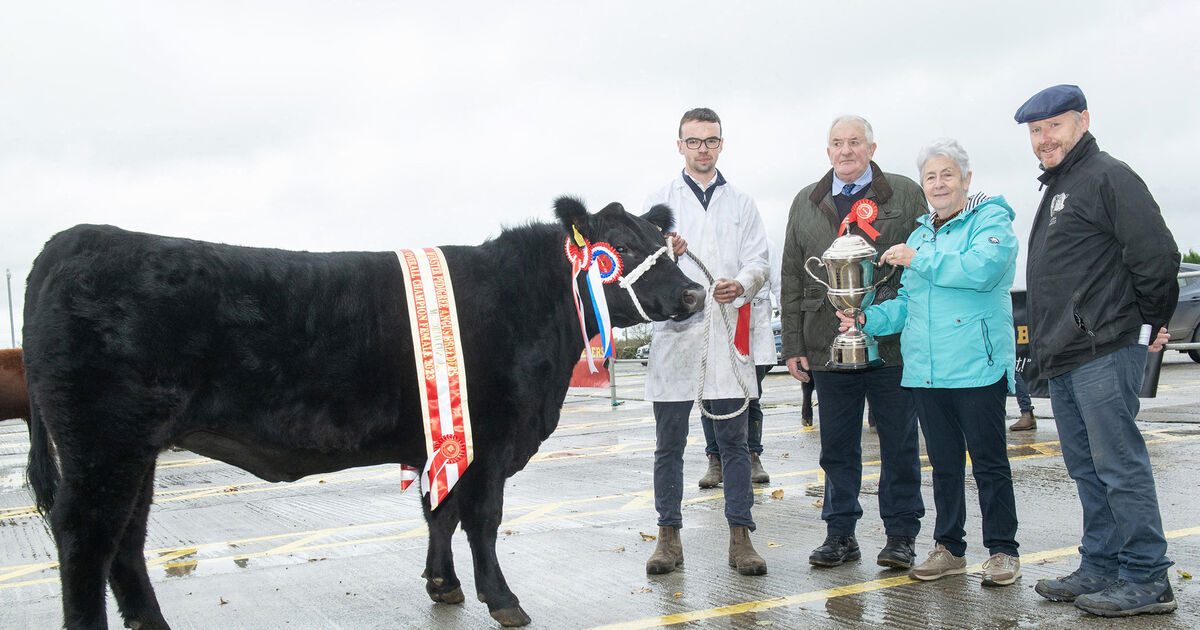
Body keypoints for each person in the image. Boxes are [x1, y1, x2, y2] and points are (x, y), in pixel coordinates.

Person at [1015, 85, 1180, 617]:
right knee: (1087, 468)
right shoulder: (1062, 184)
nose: (1044, 139)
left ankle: (1147, 577)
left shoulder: (1108, 175)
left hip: (1102, 349)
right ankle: (1102, 564)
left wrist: (1152, 319)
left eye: (1054, 126)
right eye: (1036, 131)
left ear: (1083, 121)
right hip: (1065, 356)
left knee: (1119, 466)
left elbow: (1156, 252)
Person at [840, 138, 1022, 586]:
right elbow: (907, 303)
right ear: (923, 185)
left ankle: (1002, 551)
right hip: (926, 370)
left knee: (989, 463)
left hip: (976, 366)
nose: (938, 184)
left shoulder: (991, 221)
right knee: (942, 465)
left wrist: (918, 257)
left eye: (947, 175)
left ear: (966, 179)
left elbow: (980, 270)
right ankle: (949, 547)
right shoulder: (922, 232)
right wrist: (866, 316)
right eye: (930, 177)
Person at [780, 114, 926, 570]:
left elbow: (923, 261)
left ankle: (901, 535)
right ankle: (840, 534)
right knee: (836, 448)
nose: (846, 151)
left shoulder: (904, 192)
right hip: (827, 343)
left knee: (899, 445)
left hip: (891, 344)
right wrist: (794, 344)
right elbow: (790, 273)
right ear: (828, 152)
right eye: (838, 143)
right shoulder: (806, 201)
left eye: (855, 142)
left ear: (872, 148)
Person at [643, 107, 770, 576]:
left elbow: (759, 261)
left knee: (734, 444)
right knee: (668, 446)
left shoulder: (743, 203)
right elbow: (640, 270)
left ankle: (741, 538)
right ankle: (668, 538)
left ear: (721, 144)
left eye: (711, 140)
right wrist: (663, 251)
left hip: (725, 336)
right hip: (676, 340)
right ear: (679, 145)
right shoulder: (659, 204)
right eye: (693, 141)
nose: (702, 148)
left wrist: (742, 283)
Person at [698, 240, 780, 488]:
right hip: (713, 328)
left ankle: (753, 456)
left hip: (752, 332)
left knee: (751, 398)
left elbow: (779, 285)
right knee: (709, 399)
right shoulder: (707, 243)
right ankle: (715, 460)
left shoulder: (764, 245)